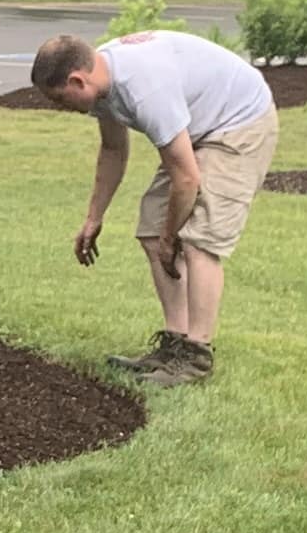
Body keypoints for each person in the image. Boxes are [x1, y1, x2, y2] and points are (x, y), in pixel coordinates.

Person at [31, 24, 280, 384]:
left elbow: (187, 179)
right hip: (196, 129)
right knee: (151, 231)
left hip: (239, 122)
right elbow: (114, 149)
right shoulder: (102, 82)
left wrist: (172, 236)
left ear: (77, 81)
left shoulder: (144, 88)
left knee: (199, 240)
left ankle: (197, 356)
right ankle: (175, 344)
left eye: (59, 99)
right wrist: (93, 217)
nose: (60, 108)